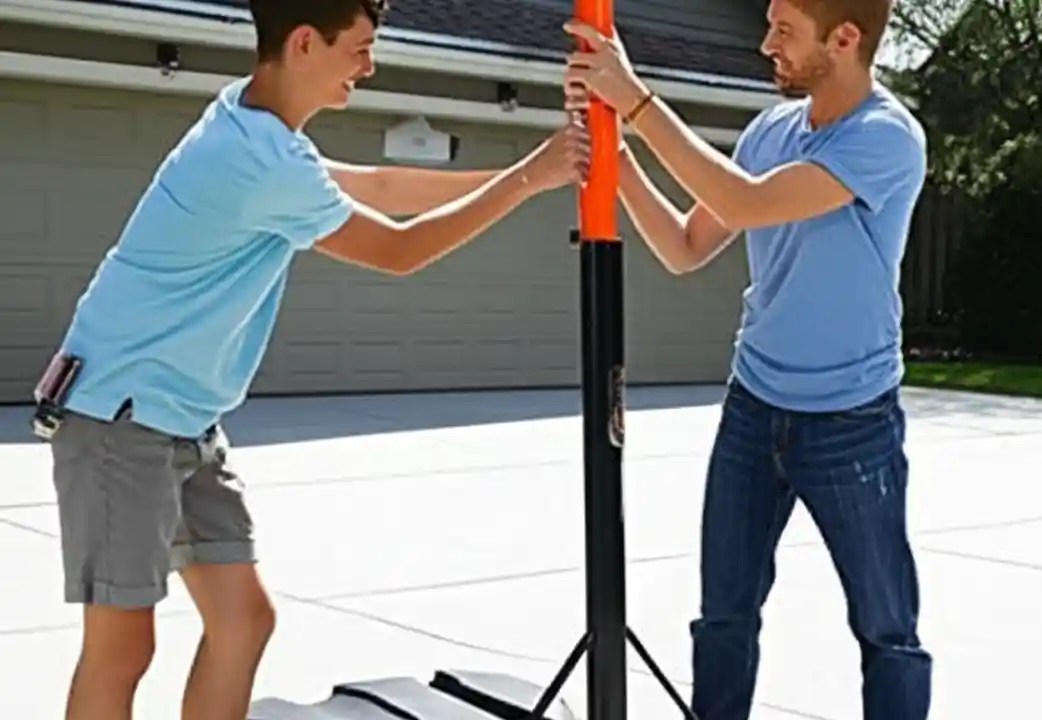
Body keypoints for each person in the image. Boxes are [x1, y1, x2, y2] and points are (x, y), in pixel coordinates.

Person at [40, 0, 590, 718]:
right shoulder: (256, 160)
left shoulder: (255, 123)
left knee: (243, 618)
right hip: (119, 416)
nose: (370, 65)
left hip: (182, 418)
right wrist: (525, 182)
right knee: (122, 648)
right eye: (360, 48)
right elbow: (399, 249)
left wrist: (533, 170)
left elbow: (381, 187)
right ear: (305, 41)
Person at [563, 0, 932, 718]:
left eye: (785, 31)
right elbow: (686, 246)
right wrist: (616, 159)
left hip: (852, 422)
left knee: (887, 629)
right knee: (723, 619)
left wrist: (634, 99)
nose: (766, 44)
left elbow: (747, 200)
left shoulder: (887, 139)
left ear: (846, 39)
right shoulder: (770, 130)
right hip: (754, 409)